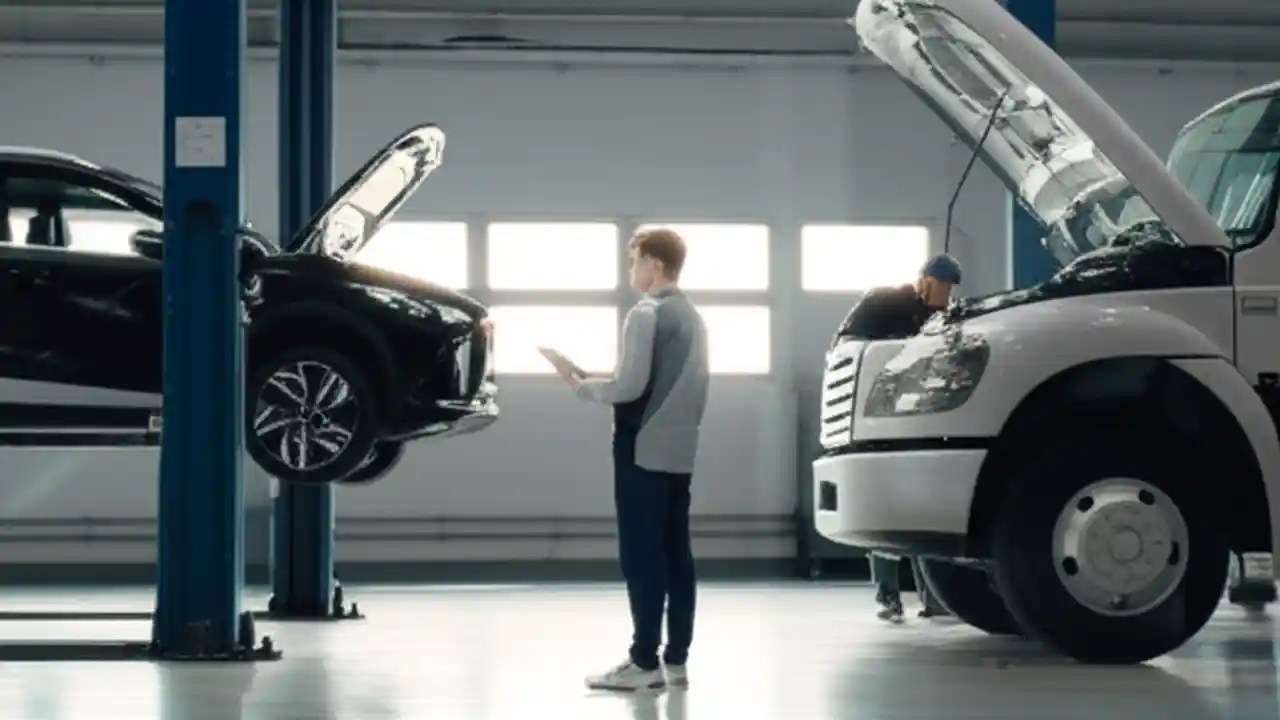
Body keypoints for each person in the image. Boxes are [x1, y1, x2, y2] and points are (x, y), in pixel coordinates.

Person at [549, 226, 710, 691]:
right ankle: (675, 659)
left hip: (640, 448)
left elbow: (629, 387)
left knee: (641, 558)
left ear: (655, 264)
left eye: (633, 259)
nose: (630, 269)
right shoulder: (693, 317)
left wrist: (578, 384)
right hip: (680, 450)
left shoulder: (646, 313)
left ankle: (643, 662)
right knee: (676, 555)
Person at [842, 252, 963, 623]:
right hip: (879, 420)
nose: (945, 294)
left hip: (921, 417)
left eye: (950, 289)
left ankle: (933, 598)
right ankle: (888, 596)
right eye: (941, 285)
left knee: (924, 508)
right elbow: (848, 344)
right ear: (924, 280)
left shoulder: (941, 318)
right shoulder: (884, 302)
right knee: (888, 506)